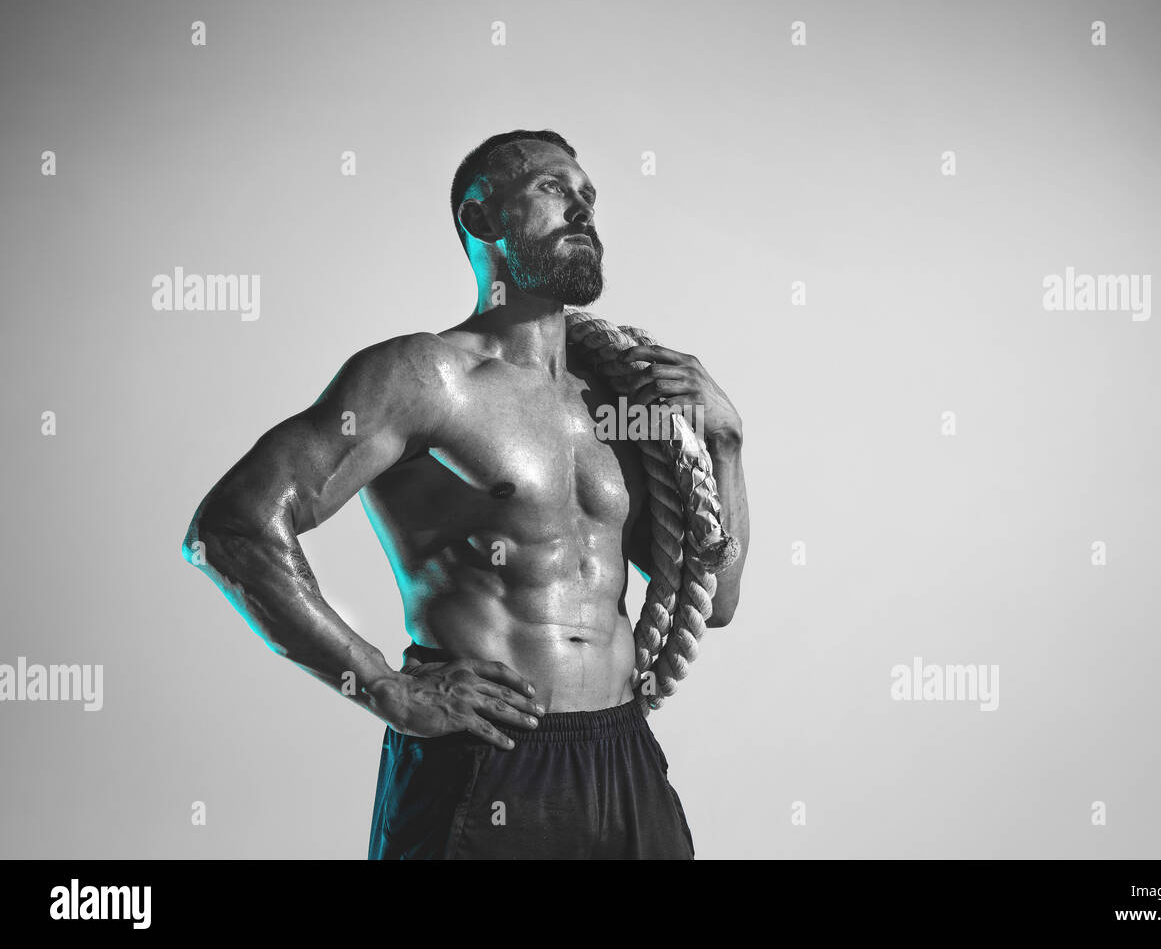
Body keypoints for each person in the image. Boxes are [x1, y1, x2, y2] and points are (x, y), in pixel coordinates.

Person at [183, 129, 750, 859]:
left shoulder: (614, 399)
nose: (582, 211)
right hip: (484, 758)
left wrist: (728, 446)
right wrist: (384, 686)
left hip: (623, 758)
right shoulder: (424, 377)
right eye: (553, 189)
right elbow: (232, 527)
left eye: (588, 197)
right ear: (482, 220)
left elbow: (718, 598)